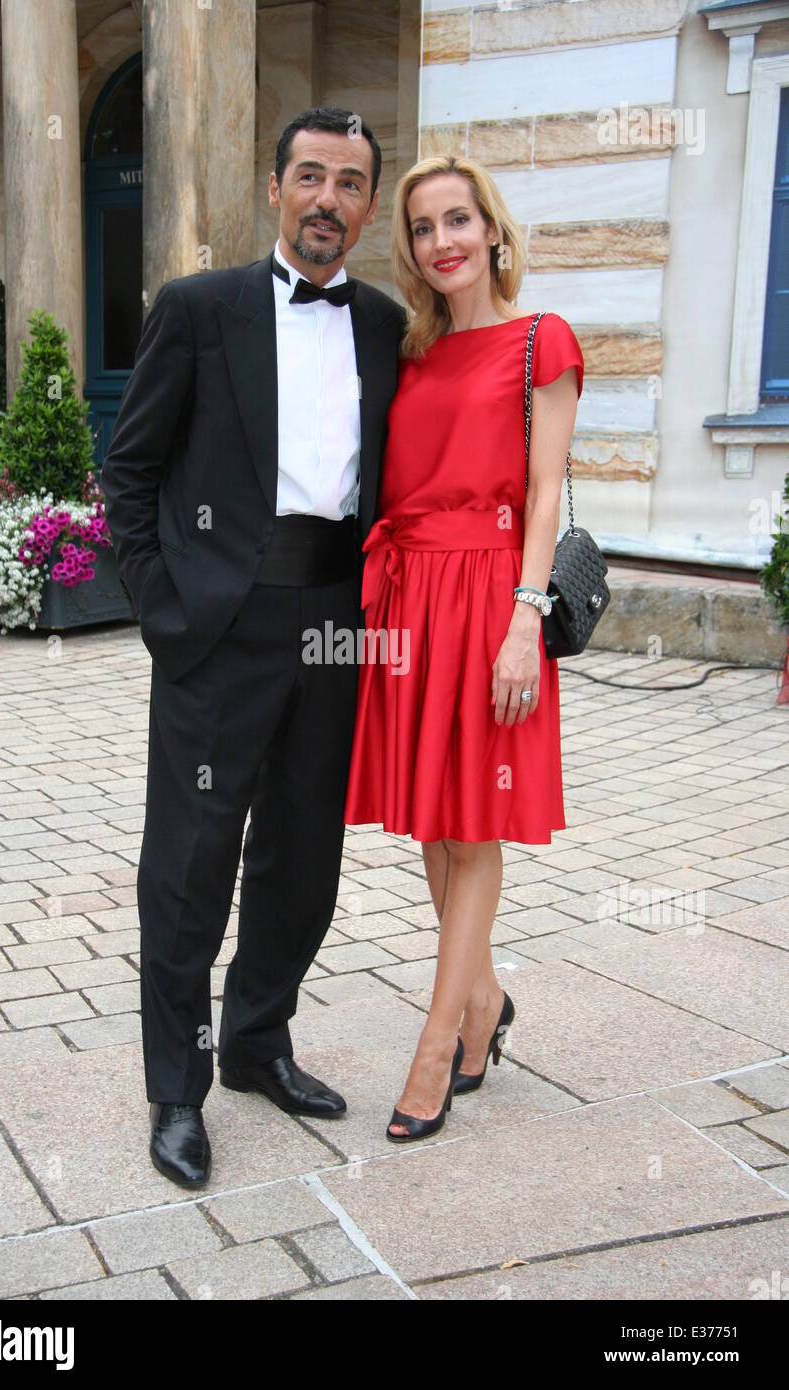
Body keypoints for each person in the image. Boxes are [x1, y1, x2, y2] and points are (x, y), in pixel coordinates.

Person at [101, 107, 407, 1188]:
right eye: (311, 176)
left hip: (332, 619)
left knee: (300, 853)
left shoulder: (381, 321)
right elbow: (126, 476)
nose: (329, 199)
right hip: (217, 629)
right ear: (273, 186)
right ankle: (175, 1090)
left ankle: (256, 1043)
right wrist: (164, 610)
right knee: (190, 863)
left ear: (368, 206)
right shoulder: (195, 309)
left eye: (351, 183)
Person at [344, 154, 584, 1142]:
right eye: (420, 228)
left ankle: (437, 1039)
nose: (439, 241)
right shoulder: (411, 351)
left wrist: (524, 620)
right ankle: (482, 1000)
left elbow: (540, 495)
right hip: (409, 590)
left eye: (456, 219)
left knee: (472, 821)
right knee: (433, 823)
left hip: (490, 595)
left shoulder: (540, 341)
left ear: (491, 229)